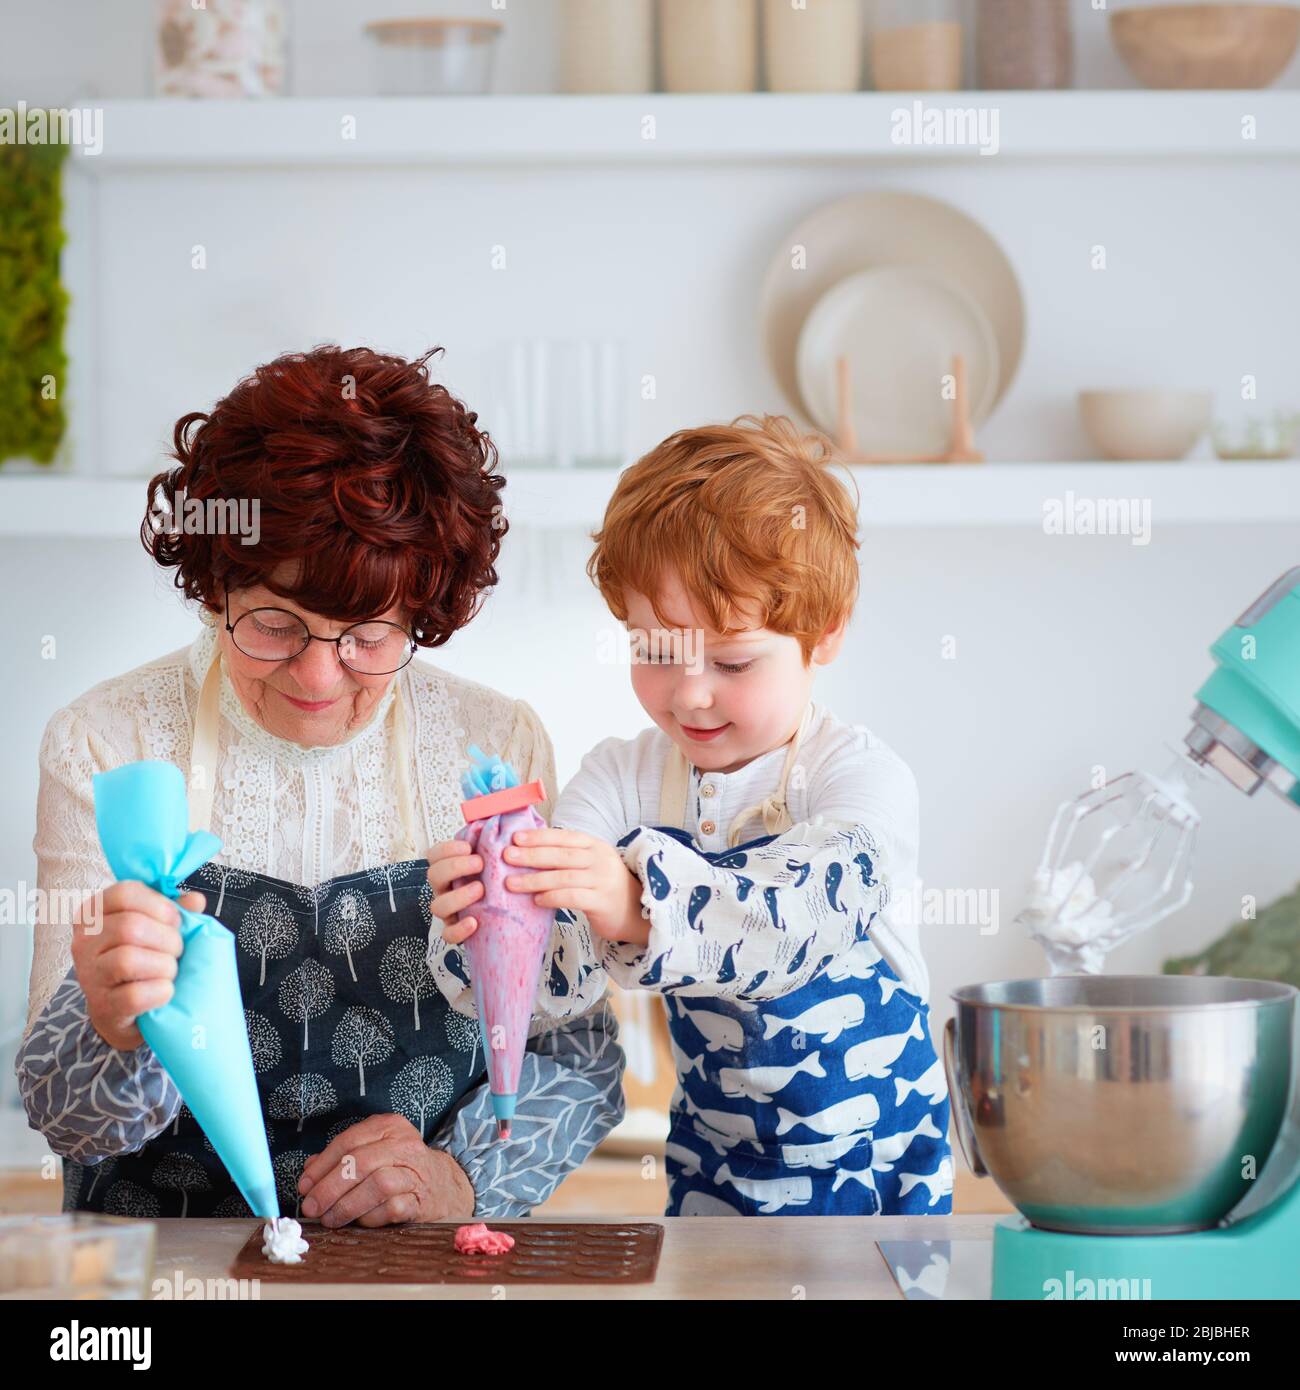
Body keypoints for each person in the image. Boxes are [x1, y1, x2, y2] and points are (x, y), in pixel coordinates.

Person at [16, 344, 624, 1224]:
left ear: (423, 611)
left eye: (367, 637)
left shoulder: (495, 745)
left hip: (414, 1268)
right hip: (164, 1267)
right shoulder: (107, 744)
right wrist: (108, 1027)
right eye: (274, 623)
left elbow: (574, 1054)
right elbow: (60, 1114)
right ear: (213, 586)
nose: (318, 677)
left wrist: (461, 1184)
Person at [427, 415, 950, 1216]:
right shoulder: (623, 778)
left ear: (824, 635)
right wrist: (491, 918)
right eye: (655, 651)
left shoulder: (859, 780)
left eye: (733, 661)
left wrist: (632, 902)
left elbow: (797, 916)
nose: (690, 693)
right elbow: (553, 982)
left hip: (879, 1181)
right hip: (714, 1167)